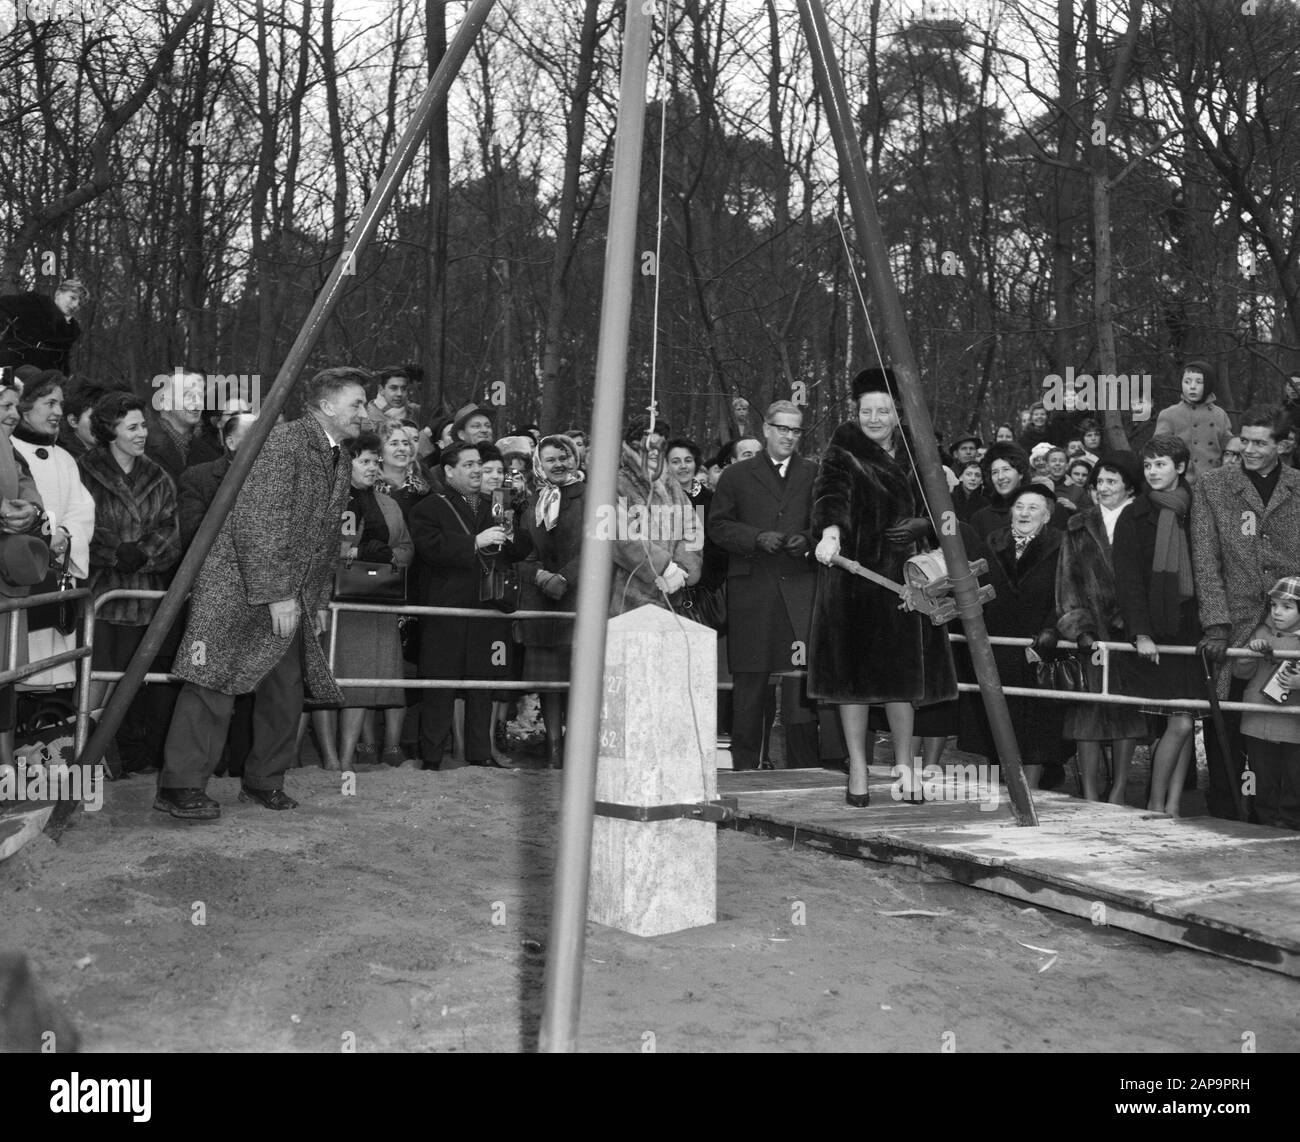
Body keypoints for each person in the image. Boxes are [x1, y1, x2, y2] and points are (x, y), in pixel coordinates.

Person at [154, 367, 364, 819]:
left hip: (286, 593)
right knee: (211, 682)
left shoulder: (338, 455)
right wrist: (277, 595)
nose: (364, 413)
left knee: (284, 691)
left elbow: (325, 539)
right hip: (236, 587)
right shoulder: (283, 443)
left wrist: (318, 599)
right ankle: (181, 786)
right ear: (328, 407)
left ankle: (264, 781)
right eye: (357, 403)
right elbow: (258, 521)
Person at [809, 369, 957, 805]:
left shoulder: (919, 450)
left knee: (901, 679)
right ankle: (857, 767)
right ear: (855, 413)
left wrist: (923, 523)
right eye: (866, 410)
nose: (874, 418)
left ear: (897, 412)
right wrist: (830, 534)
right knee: (852, 680)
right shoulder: (842, 450)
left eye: (883, 410)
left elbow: (943, 505)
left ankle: (905, 768)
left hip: (906, 579)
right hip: (854, 577)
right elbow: (829, 496)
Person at [709, 399, 845, 771]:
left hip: (801, 590)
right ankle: (745, 766)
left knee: (812, 682)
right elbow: (718, 526)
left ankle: (826, 765)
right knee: (750, 687)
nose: (788, 436)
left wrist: (807, 537)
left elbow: (829, 522)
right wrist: (755, 538)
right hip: (752, 592)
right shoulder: (737, 476)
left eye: (796, 430)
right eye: (781, 428)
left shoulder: (815, 474)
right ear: (766, 429)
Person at [1191, 407, 1300, 820]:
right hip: (1235, 626)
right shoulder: (1214, 486)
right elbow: (1206, 559)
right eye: (1245, 441)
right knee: (1229, 723)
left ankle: (1284, 816)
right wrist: (1216, 624)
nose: (1248, 450)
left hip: (1291, 622)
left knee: (1286, 723)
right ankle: (1229, 811)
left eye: (1260, 442)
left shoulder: (1297, 487)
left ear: (1283, 445)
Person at [78, 392, 181, 774]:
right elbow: (77, 524)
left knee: (128, 686)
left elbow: (172, 531)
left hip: (142, 601)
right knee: (94, 681)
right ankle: (78, 755)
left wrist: (145, 552)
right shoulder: (82, 471)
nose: (142, 433)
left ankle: (100, 758)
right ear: (109, 431)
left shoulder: (157, 476)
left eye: (144, 425)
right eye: (132, 427)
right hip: (100, 596)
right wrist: (114, 551)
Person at [411, 441, 527, 770]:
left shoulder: (497, 505)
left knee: (482, 686)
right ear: (448, 471)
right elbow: (430, 549)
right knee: (439, 686)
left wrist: (515, 520)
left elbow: (519, 550)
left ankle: (480, 753)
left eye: (480, 463)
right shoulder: (428, 508)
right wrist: (475, 542)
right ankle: (431, 757)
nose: (477, 470)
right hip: (445, 611)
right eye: (468, 465)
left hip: (488, 610)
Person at [1113, 436, 1203, 815]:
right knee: (1178, 723)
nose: (1152, 472)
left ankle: (1173, 804)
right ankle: (1155, 803)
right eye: (1148, 465)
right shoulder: (1133, 515)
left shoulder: (1197, 508)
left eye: (1161, 464)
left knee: (1187, 722)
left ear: (1180, 467)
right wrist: (1141, 633)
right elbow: (1127, 580)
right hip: (1157, 632)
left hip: (1193, 628)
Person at [957, 483, 1066, 788]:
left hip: (1037, 647)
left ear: (1047, 515)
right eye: (1019, 506)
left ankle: (1030, 793)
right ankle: (1000, 791)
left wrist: (1048, 635)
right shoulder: (993, 542)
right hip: (999, 643)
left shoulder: (1062, 545)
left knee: (1034, 729)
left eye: (1033, 508)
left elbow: (1067, 594)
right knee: (996, 721)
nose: (1024, 513)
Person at [1055, 453, 1149, 802]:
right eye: (1099, 482)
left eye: (1112, 481)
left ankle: (1120, 789)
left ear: (1129, 486)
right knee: (1088, 717)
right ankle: (1090, 793)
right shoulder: (1078, 525)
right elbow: (1067, 582)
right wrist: (1080, 629)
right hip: (1092, 635)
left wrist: (1140, 625)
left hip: (1131, 634)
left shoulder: (1143, 520)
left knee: (1127, 714)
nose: (1104, 488)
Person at [322, 433, 414, 770]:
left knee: (360, 681)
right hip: (336, 602)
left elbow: (407, 548)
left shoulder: (388, 504)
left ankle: (346, 757)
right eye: (365, 461)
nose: (373, 468)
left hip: (377, 601)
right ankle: (329, 757)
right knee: (330, 679)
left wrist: (388, 555)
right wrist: (359, 553)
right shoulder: (329, 500)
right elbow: (327, 547)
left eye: (376, 462)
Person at [11, 371, 95, 692]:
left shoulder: (65, 459)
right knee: (18, 673)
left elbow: (81, 510)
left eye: (60, 403)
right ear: (24, 407)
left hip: (58, 573)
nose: (58, 411)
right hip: (22, 574)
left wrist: (66, 536)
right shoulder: (8, 451)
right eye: (49, 403)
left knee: (55, 677)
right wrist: (49, 533)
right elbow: (25, 504)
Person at [518, 434, 585, 768]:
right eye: (550, 459)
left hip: (580, 600)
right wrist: (542, 576)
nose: (559, 464)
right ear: (539, 465)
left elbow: (598, 546)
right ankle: (553, 750)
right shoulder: (533, 502)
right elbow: (521, 551)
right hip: (542, 602)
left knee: (578, 680)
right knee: (550, 683)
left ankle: (575, 750)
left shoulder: (593, 497)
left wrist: (565, 578)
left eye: (564, 457)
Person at [0, 381, 48, 769]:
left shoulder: (8, 447)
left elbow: (26, 481)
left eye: (16, 405)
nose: (13, 414)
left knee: (4, 680)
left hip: (6, 584)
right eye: (4, 404)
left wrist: (29, 510)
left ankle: (3, 766)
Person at [610, 419, 703, 615]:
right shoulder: (617, 484)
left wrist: (680, 569)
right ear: (633, 447)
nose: (654, 452)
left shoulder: (674, 486)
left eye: (660, 447)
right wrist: (664, 567)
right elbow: (620, 538)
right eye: (648, 446)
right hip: (628, 598)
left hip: (673, 597)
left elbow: (694, 530)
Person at [1233, 577, 1300, 829]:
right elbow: (1241, 673)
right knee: (1261, 777)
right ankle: (1262, 821)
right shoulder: (1260, 632)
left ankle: (1291, 824)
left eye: (1287, 607)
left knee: (1295, 779)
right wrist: (1251, 652)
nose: (1277, 612)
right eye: (1274, 605)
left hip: (1294, 725)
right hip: (1258, 720)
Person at [1154, 359, 1233, 481]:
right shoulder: (1169, 414)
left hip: (1215, 480)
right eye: (1187, 381)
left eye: (1199, 382)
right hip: (1181, 481)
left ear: (1208, 384)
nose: (1192, 387)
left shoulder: (1220, 415)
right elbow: (1158, 450)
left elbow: (1229, 448)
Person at [0, 280, 86, 372]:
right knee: (5, 383)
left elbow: (62, 363)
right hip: (8, 366)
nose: (75, 305)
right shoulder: (33, 302)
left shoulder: (69, 332)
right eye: (72, 298)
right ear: (58, 294)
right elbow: (3, 305)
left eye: (79, 304)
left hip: (39, 379)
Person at [145, 368, 206, 481]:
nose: (197, 402)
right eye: (188, 395)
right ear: (164, 402)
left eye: (200, 396)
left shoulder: (208, 452)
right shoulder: (140, 447)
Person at [58, 380, 107, 460]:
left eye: (106, 417)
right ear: (73, 421)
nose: (102, 423)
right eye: (94, 417)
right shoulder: (64, 459)